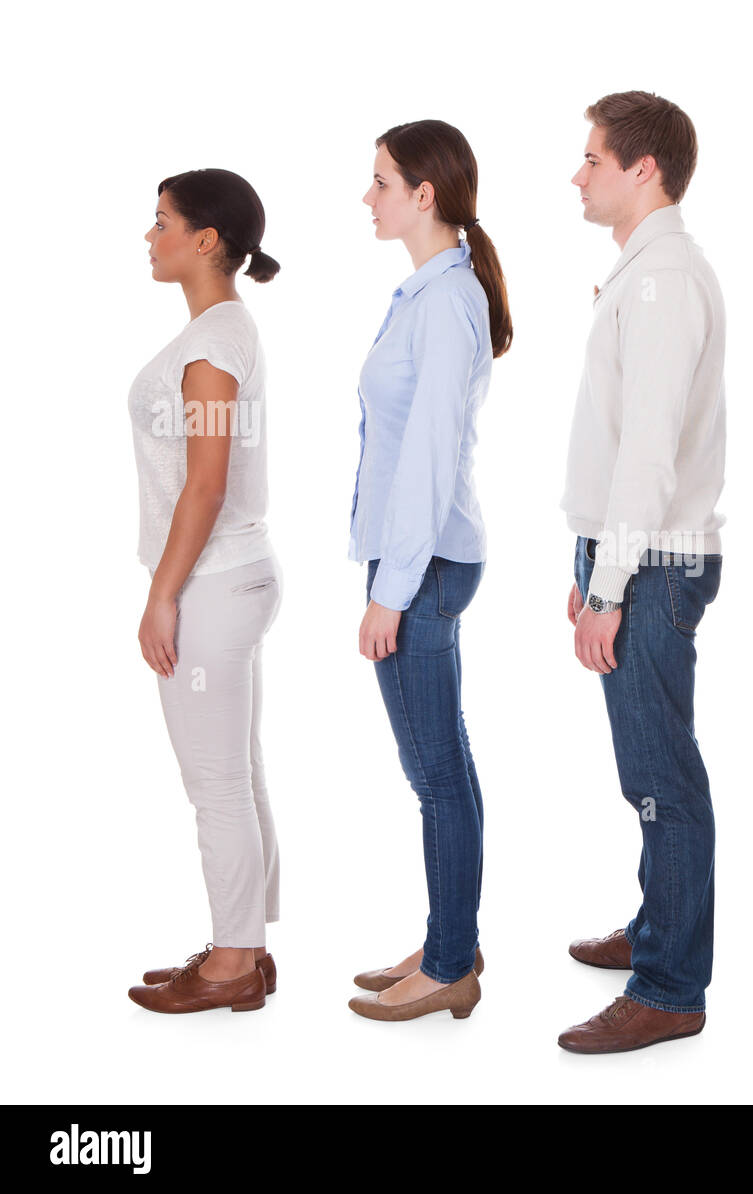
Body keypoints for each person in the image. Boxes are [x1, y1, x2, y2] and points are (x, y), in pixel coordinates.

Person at [558, 91, 726, 1054]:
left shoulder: (664, 280)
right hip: (628, 555)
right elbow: (615, 441)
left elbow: (651, 452)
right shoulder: (642, 273)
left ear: (643, 170)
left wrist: (611, 582)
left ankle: (670, 986)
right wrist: (587, 561)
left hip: (654, 564)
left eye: (591, 159)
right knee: (648, 773)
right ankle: (659, 929)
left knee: (663, 773)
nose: (578, 174)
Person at [346, 120, 512, 1024]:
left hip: (427, 563)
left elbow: (431, 458)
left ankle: (450, 964)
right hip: (416, 555)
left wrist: (391, 588)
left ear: (425, 194)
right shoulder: (425, 292)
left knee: (437, 774)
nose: (366, 197)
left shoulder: (447, 301)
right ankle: (452, 935)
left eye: (380, 181)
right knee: (441, 768)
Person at [127, 169, 283, 1014]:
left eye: (161, 223)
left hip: (213, 582)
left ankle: (233, 962)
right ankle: (244, 947)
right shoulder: (219, 330)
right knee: (236, 771)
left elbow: (206, 484)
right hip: (229, 576)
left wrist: (162, 595)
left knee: (215, 780)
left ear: (206, 241)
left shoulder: (214, 342)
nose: (148, 238)